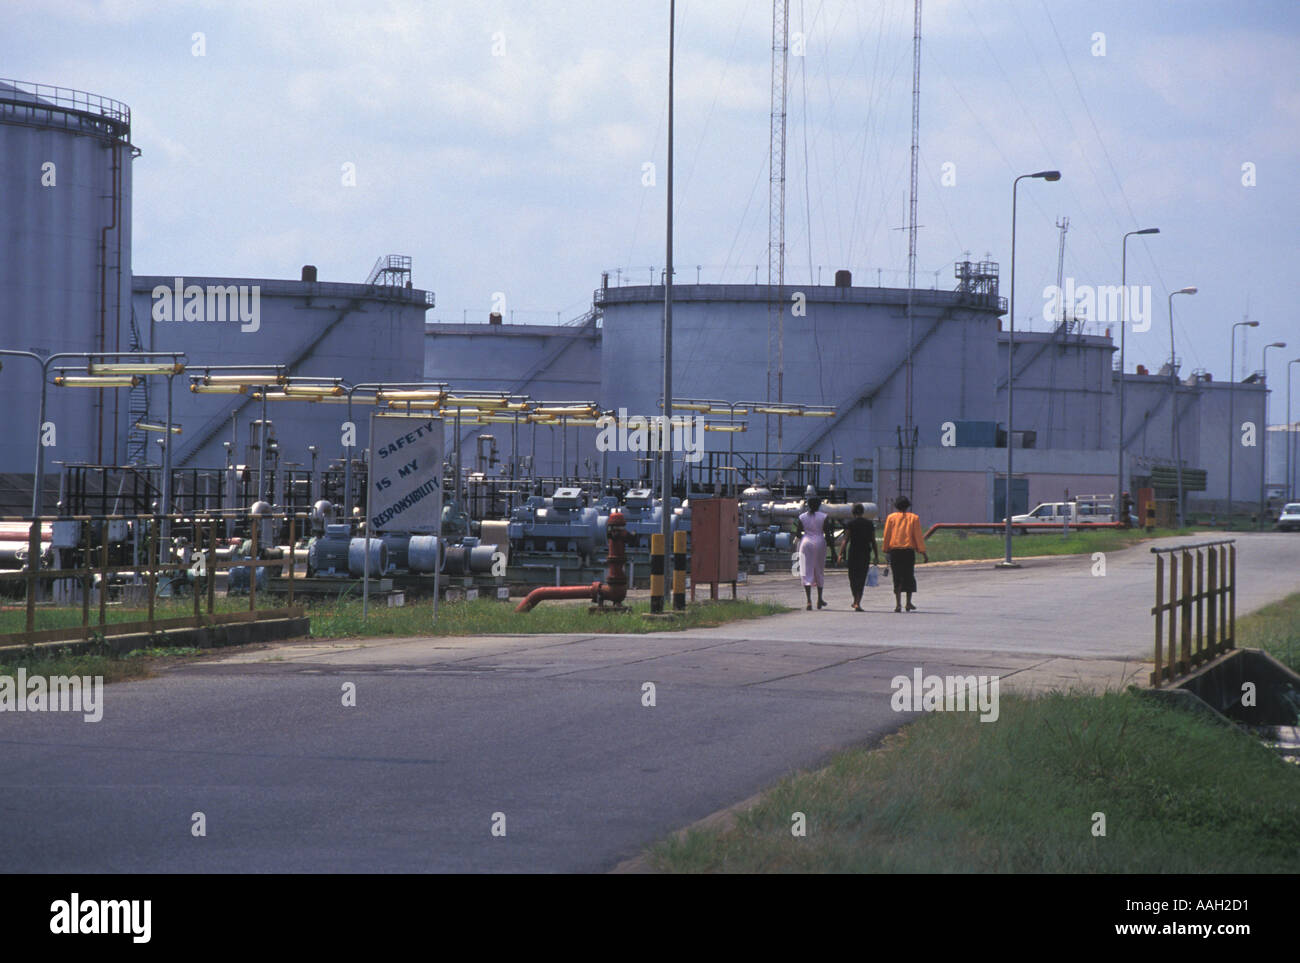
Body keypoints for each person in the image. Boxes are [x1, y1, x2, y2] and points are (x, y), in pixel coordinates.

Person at [880, 495, 928, 613]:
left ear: (896, 506)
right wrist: (923, 552)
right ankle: (908, 603)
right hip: (908, 552)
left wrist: (886, 549)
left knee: (897, 577)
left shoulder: (891, 518)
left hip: (895, 551)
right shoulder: (914, 518)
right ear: (908, 506)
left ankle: (898, 604)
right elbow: (918, 536)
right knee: (908, 576)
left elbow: (887, 535)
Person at [836, 503, 880, 612]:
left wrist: (840, 554)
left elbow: (845, 540)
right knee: (861, 577)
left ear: (853, 512)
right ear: (863, 512)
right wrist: (876, 556)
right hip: (865, 553)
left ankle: (855, 600)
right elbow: (873, 541)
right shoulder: (869, 524)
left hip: (853, 553)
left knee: (852, 577)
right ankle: (857, 601)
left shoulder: (851, 524)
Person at [796, 496, 829, 610]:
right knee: (819, 570)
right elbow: (827, 533)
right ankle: (819, 599)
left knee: (806, 570)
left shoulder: (802, 517)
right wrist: (833, 551)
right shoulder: (824, 517)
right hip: (820, 541)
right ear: (819, 504)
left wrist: (806, 536)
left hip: (806, 543)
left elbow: (798, 533)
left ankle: (809, 601)